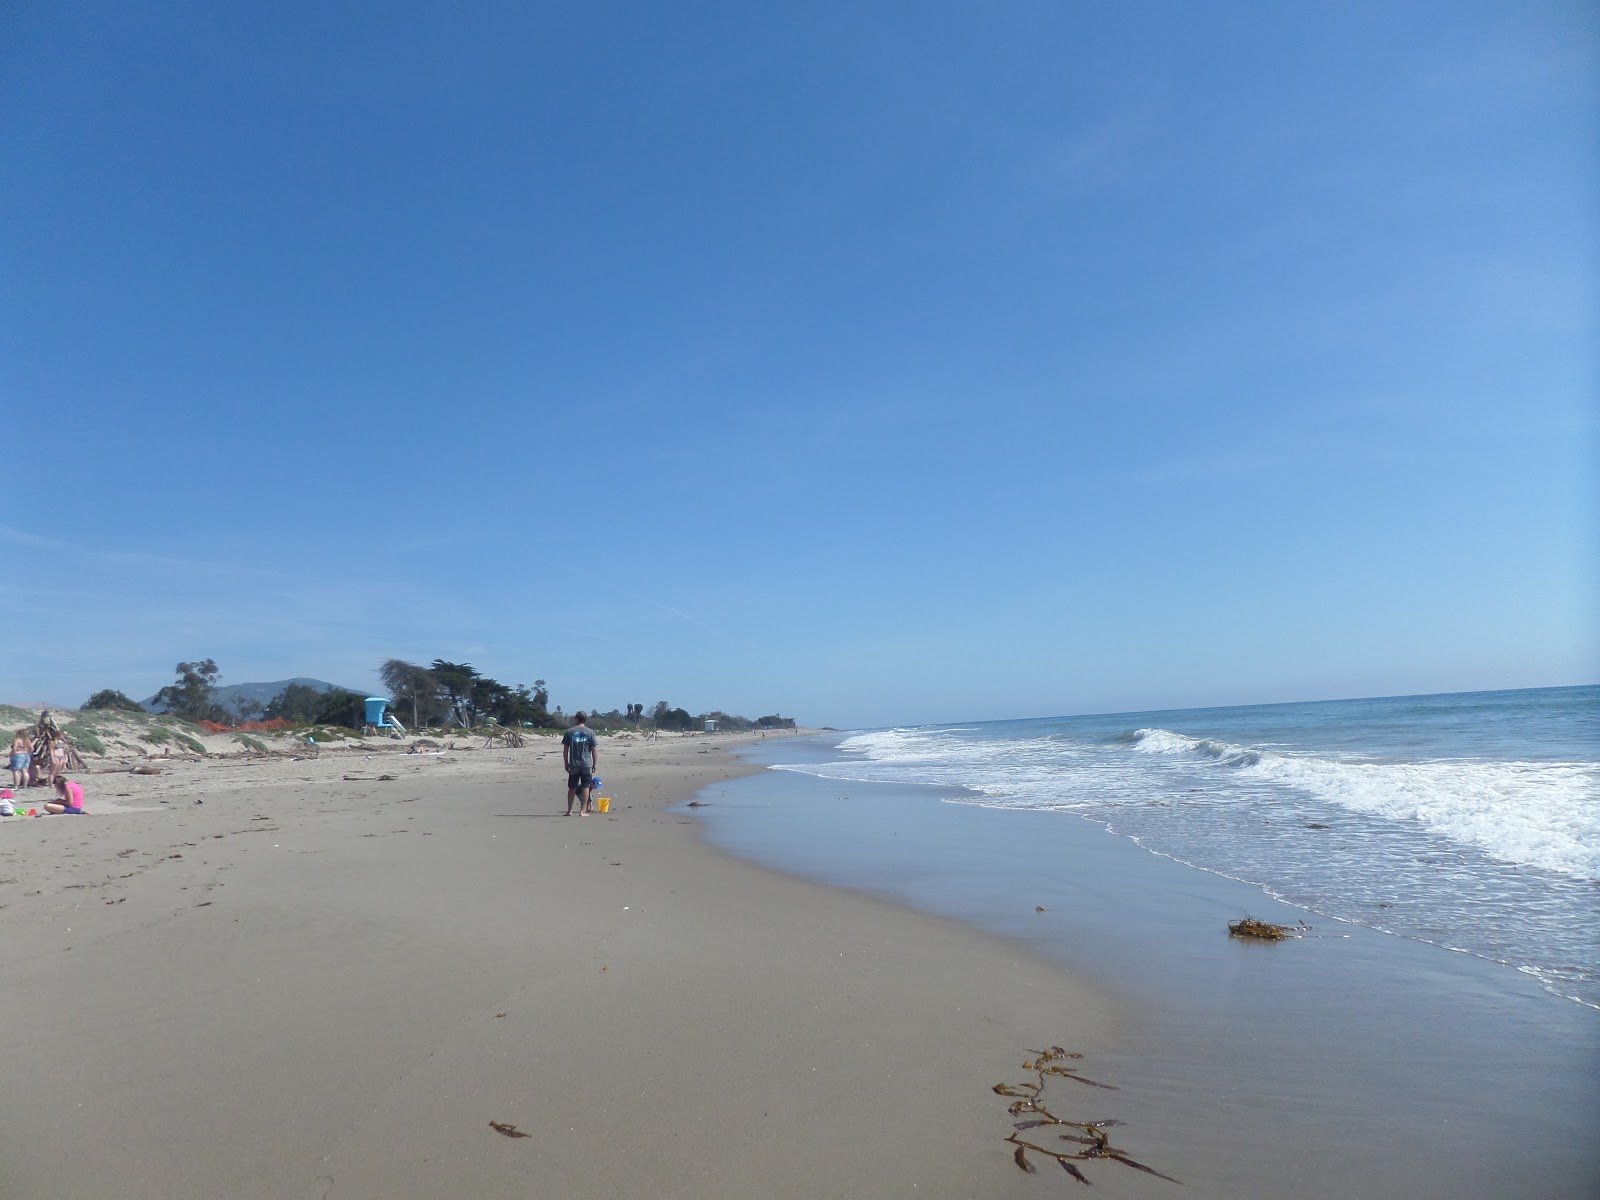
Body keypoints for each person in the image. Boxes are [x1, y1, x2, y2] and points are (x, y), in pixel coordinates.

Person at [562, 712, 600, 816]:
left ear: (577, 719)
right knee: (585, 787)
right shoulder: (591, 732)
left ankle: (569, 810)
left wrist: (566, 762)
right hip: (586, 764)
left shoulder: (570, 731)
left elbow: (565, 749)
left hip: (574, 764)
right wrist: (595, 764)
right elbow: (594, 749)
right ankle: (582, 811)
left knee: (572, 787)